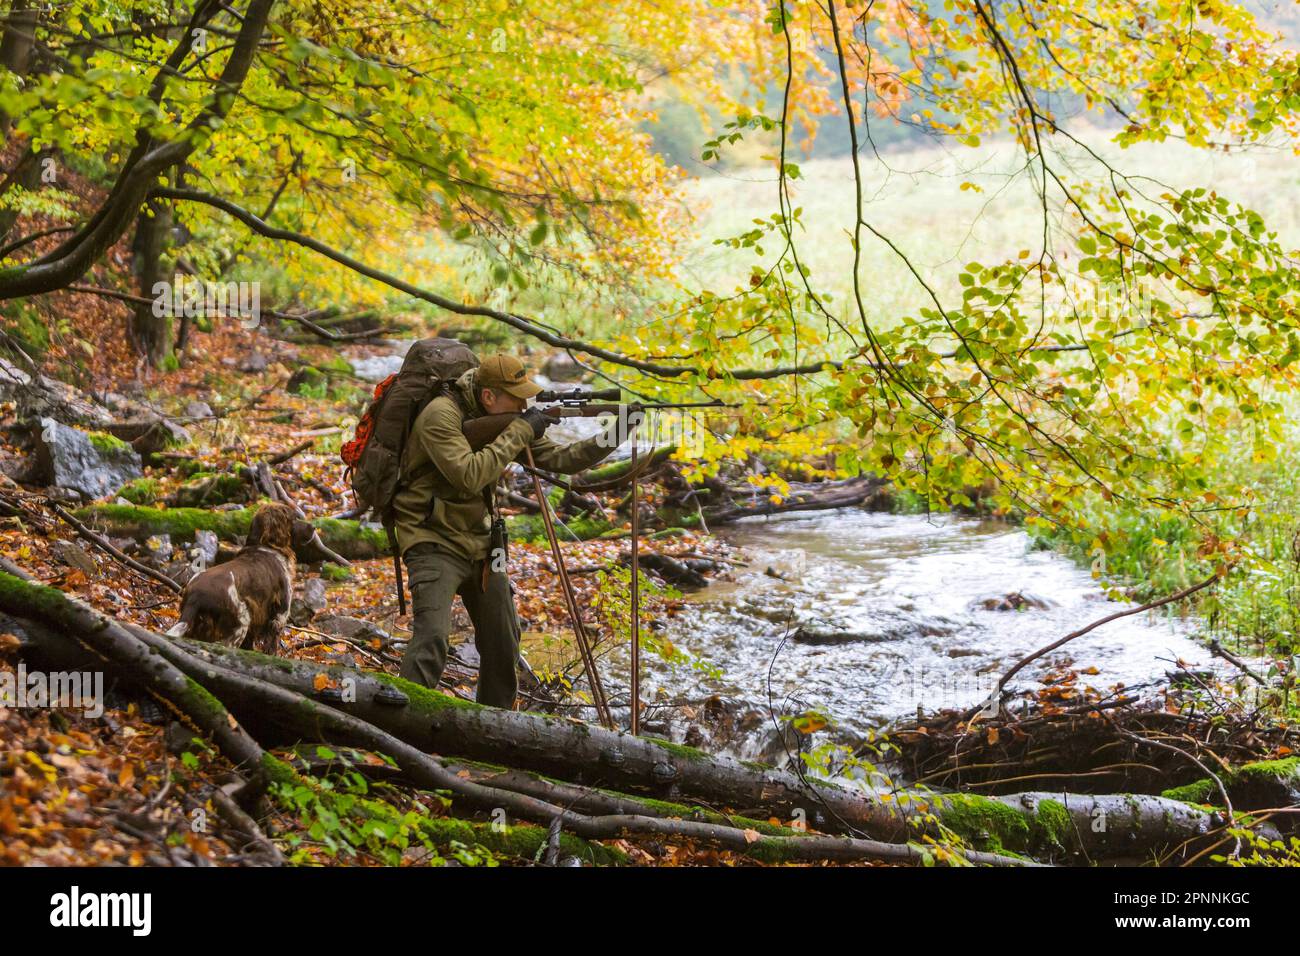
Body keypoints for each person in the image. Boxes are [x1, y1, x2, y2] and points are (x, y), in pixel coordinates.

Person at [391, 354, 620, 707]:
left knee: (505, 641)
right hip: (432, 538)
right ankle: (401, 720)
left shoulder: (506, 422)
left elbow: (564, 460)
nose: (524, 405)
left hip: (484, 543)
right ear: (488, 398)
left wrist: (619, 432)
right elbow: (469, 476)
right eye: (516, 397)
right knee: (433, 637)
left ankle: (495, 730)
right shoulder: (440, 415)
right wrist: (519, 429)